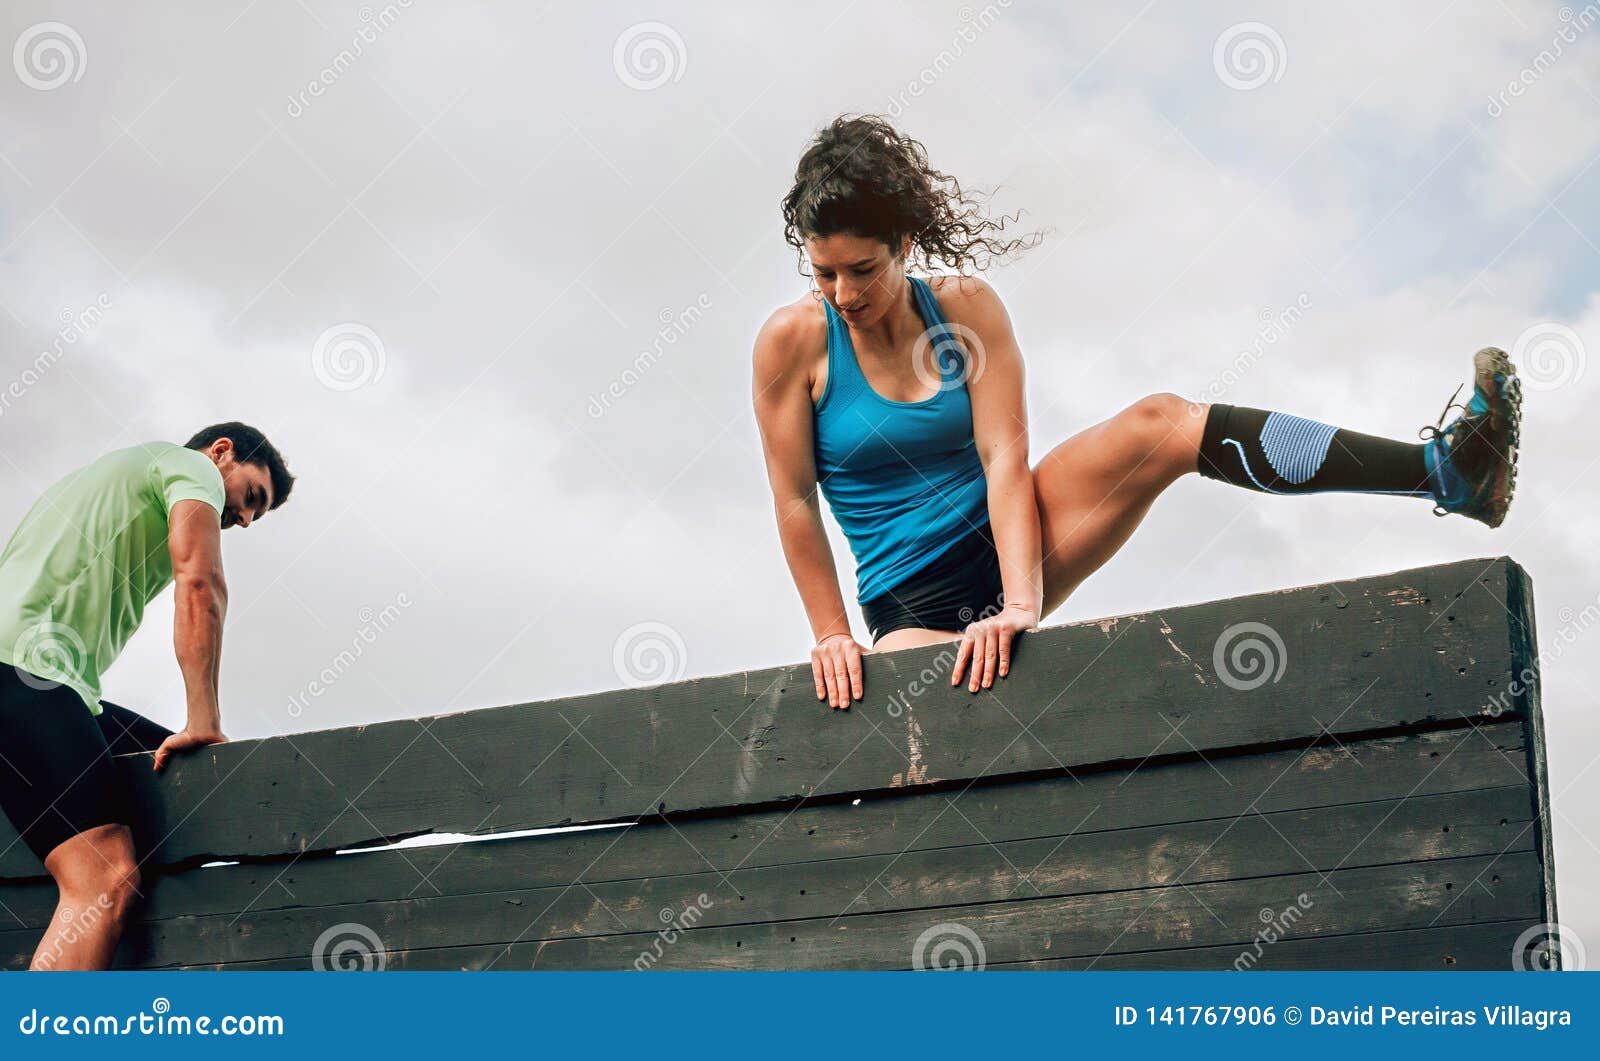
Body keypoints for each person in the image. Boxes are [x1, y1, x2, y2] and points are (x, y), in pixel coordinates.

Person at [751, 115, 1520, 711]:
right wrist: (831, 634)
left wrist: (1021, 602)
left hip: (1017, 534)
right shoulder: (792, 347)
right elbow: (793, 501)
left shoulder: (965, 314)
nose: (845, 293)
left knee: (1162, 421)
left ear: (904, 244)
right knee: (931, 707)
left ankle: (1445, 474)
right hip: (914, 598)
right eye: (825, 273)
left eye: (863, 270)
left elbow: (1002, 462)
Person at [0, 423, 294, 970]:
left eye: (259, 515)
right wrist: (202, 716)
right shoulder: (191, 469)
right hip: (24, 672)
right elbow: (201, 583)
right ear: (222, 453)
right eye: (253, 497)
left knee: (192, 775)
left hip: (40, 681)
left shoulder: (103, 480)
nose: (247, 520)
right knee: (105, 880)